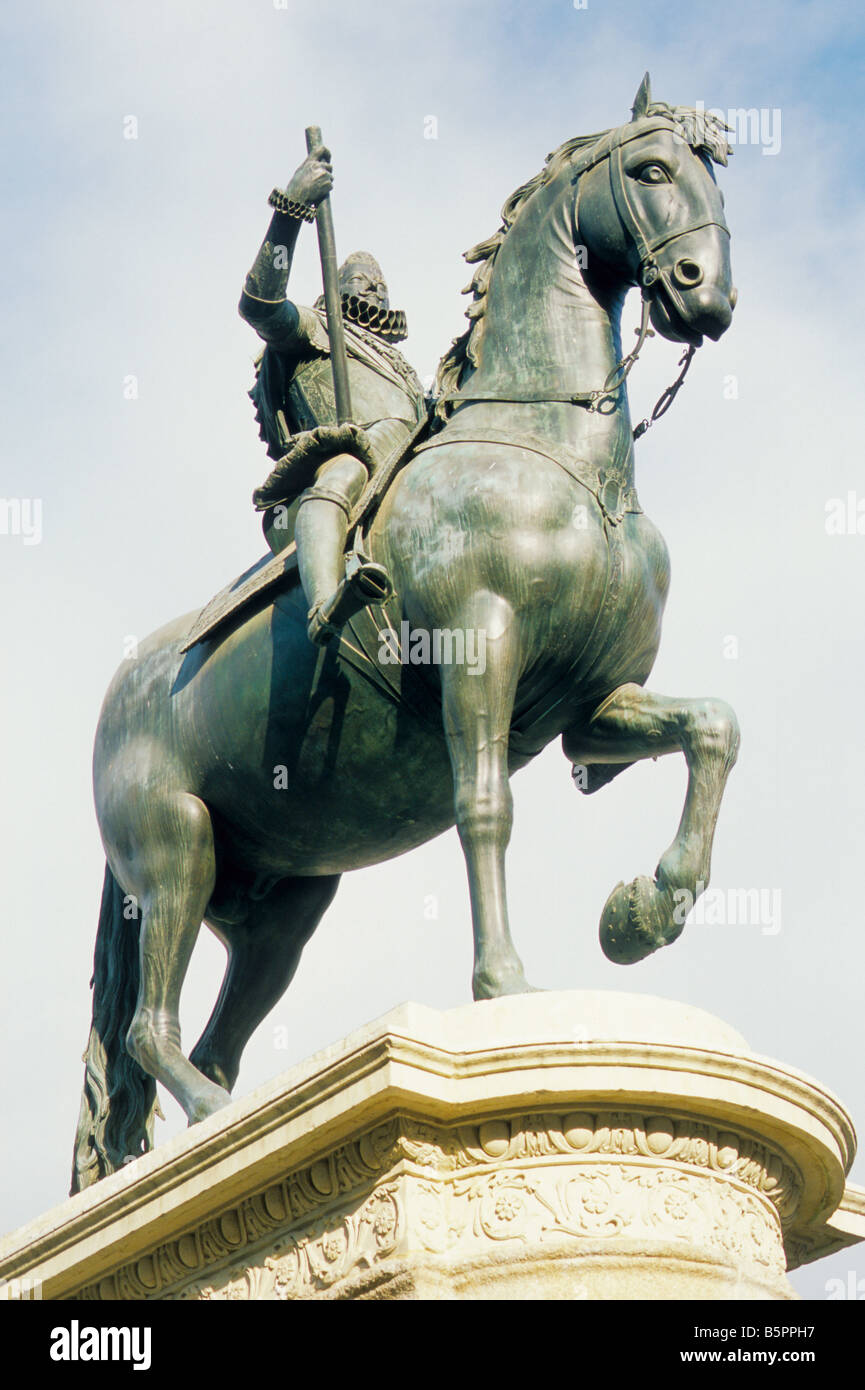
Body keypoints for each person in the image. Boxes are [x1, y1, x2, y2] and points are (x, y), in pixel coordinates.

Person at [239, 144, 427, 644]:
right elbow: (259, 304)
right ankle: (325, 603)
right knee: (344, 472)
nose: (375, 291)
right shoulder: (313, 329)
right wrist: (290, 211)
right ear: (339, 287)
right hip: (337, 466)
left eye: (381, 286)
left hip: (405, 468)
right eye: (363, 283)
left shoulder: (405, 372)